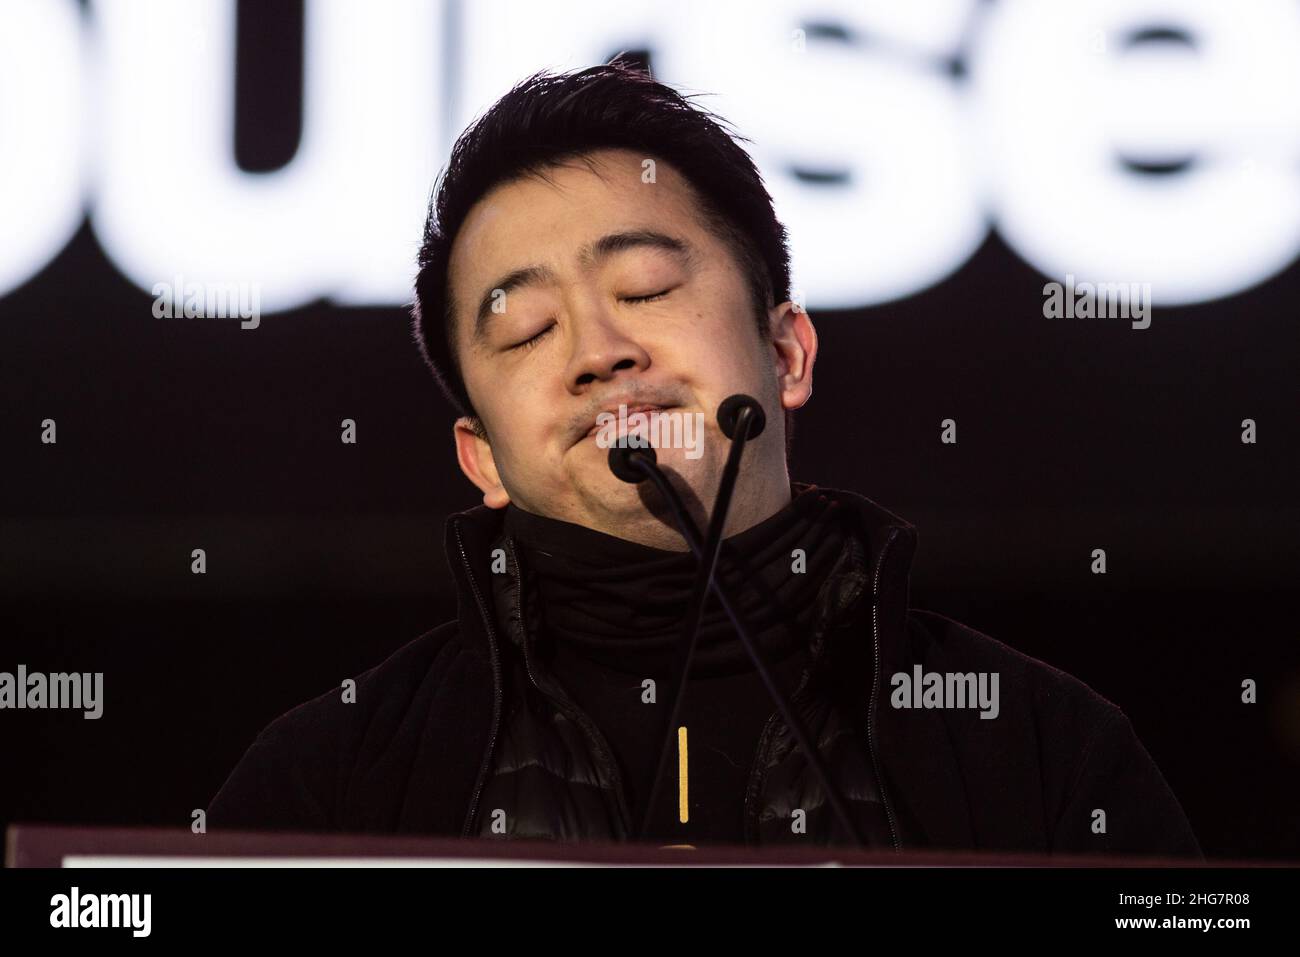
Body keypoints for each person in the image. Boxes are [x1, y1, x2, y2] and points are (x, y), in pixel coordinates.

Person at [207, 58, 1201, 858]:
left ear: (783, 352)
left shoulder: (1041, 747)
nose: (600, 351)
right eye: (527, 329)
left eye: (643, 288)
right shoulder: (327, 780)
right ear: (483, 459)